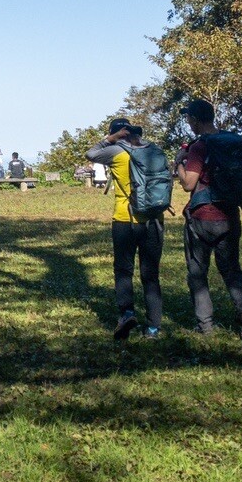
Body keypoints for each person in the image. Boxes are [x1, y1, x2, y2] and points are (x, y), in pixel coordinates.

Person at [176, 99, 242, 340]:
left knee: (197, 273)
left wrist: (179, 163)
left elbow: (188, 184)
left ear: (194, 119)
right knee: (232, 270)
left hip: (202, 218)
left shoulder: (199, 147)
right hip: (230, 215)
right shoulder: (231, 142)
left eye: (188, 118)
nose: (188, 123)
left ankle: (206, 326)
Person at [87, 120, 164, 340]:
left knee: (123, 270)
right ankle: (153, 328)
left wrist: (110, 139)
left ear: (118, 134)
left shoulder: (116, 152)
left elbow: (90, 153)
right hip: (154, 219)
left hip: (124, 218)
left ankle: (127, 313)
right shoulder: (155, 151)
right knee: (151, 275)